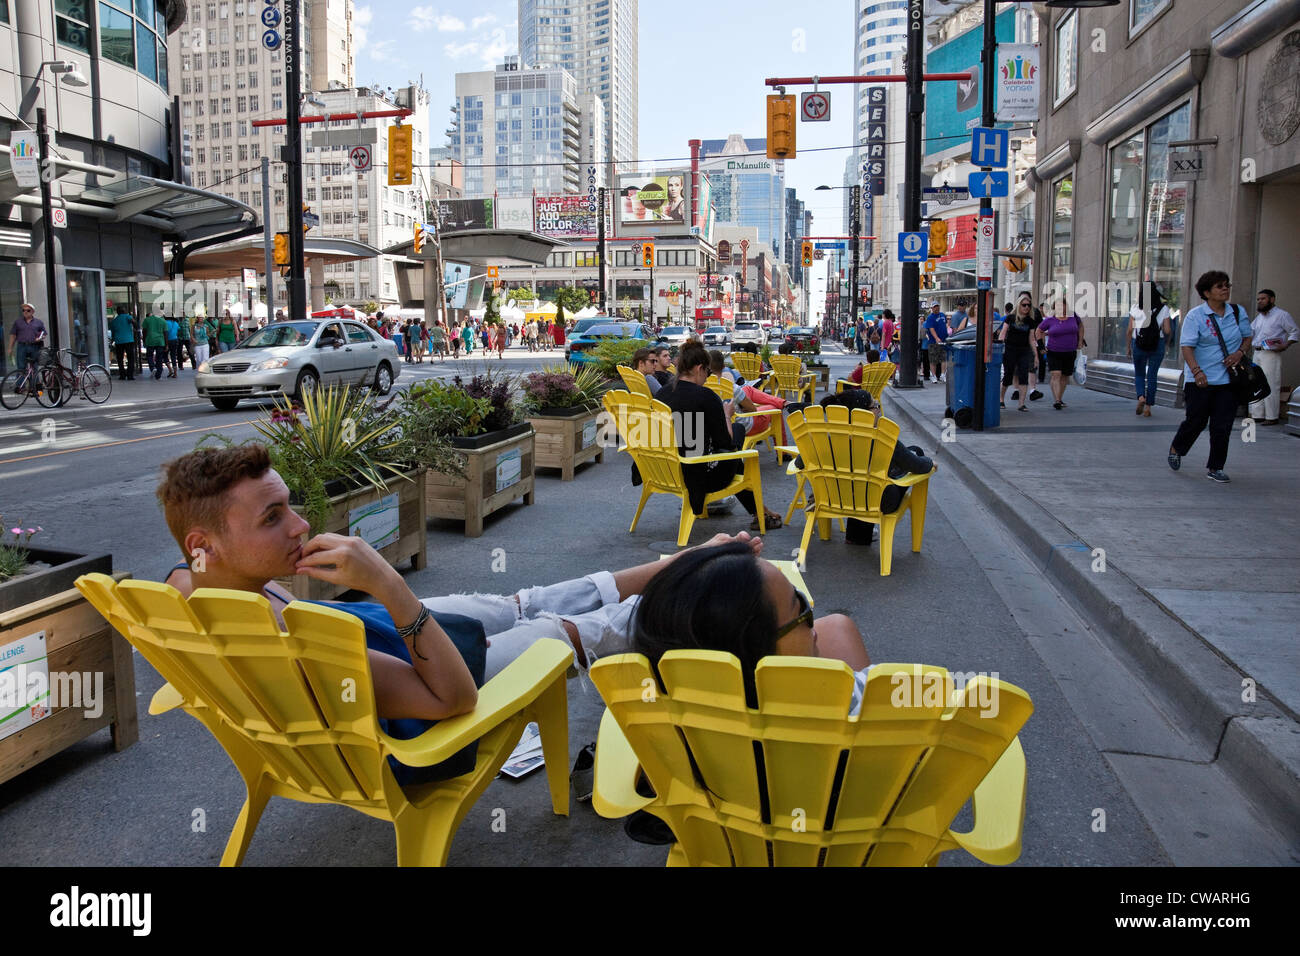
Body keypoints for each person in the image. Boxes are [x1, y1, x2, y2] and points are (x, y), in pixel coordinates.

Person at [155, 444, 760, 711]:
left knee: (522, 600)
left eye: (288, 505)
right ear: (206, 542)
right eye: (272, 517)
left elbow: (182, 574)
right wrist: (388, 586)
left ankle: (671, 564)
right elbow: (451, 698)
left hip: (389, 632)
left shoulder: (196, 588)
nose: (301, 524)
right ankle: (703, 578)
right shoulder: (297, 652)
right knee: (561, 628)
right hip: (433, 665)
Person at [631, 540, 871, 712]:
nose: (810, 615)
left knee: (837, 624)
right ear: (754, 654)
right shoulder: (859, 700)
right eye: (799, 610)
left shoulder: (670, 717)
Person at [658, 342, 784, 531]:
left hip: (666, 470)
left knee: (733, 448)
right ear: (699, 368)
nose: (707, 378)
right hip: (700, 476)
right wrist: (726, 413)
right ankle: (760, 512)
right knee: (737, 440)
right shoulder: (706, 397)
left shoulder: (662, 393)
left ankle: (760, 512)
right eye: (707, 373)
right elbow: (725, 443)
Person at [1169, 271, 1253, 483]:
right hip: (1200, 379)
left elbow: (1247, 336)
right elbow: (1186, 347)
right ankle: (1177, 447)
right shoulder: (1196, 316)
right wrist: (1197, 372)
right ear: (1207, 293)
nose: (1225, 289)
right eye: (1219, 286)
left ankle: (1215, 467)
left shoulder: (1237, 312)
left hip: (1229, 380)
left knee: (1222, 425)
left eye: (1227, 285)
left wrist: (1239, 353)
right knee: (1196, 421)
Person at [1250, 288, 1297, 425]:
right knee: (1256, 383)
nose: (1260, 301)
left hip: (1271, 353)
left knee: (1271, 383)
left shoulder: (1282, 315)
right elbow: (1250, 333)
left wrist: (1286, 345)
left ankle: (1271, 417)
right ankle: (1257, 415)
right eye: (1258, 299)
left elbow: (1295, 332)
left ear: (1272, 299)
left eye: (1263, 299)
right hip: (1257, 352)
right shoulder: (1259, 318)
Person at [1126, 284, 1172, 416]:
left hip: (1138, 343)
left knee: (1139, 374)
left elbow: (1129, 330)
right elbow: (1167, 330)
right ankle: (1148, 407)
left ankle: (1141, 397)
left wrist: (1128, 347)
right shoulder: (1164, 309)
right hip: (1157, 344)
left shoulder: (1135, 308)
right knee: (1152, 375)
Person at [1036, 298, 1085, 409]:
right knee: (1056, 374)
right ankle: (1057, 400)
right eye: (1057, 306)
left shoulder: (1073, 316)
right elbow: (1038, 331)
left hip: (1070, 351)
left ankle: (1059, 398)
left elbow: (1081, 326)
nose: (1060, 308)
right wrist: (1041, 345)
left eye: (1062, 305)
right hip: (1053, 351)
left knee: (1065, 376)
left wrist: (1080, 340)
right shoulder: (1050, 320)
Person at [999, 293, 1039, 412]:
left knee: (1023, 376)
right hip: (1010, 349)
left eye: (1028, 305)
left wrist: (1036, 355)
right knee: (1008, 375)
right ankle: (1001, 399)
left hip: (1024, 350)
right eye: (1024, 305)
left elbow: (1032, 339)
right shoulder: (1011, 318)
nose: (1026, 307)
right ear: (1019, 305)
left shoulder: (1030, 321)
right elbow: (1003, 332)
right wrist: (999, 346)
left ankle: (1021, 403)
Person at [923, 301, 949, 382]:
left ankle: (942, 374)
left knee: (944, 358)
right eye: (935, 306)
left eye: (937, 306)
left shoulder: (942, 315)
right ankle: (933, 375)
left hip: (944, 340)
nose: (936, 308)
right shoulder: (930, 318)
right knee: (933, 360)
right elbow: (931, 329)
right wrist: (936, 338)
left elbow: (945, 325)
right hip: (933, 341)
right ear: (932, 308)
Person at [108, 305, 135, 381]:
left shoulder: (114, 321)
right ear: (124, 311)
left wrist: (113, 340)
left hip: (119, 341)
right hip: (129, 340)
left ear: (117, 312)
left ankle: (122, 375)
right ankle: (130, 375)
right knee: (130, 358)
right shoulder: (127, 317)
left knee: (120, 358)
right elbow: (133, 322)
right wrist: (137, 328)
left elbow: (113, 332)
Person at [141, 307, 168, 380]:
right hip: (160, 341)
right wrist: (166, 344)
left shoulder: (147, 319)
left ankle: (152, 368)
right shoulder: (163, 321)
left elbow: (144, 331)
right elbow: (165, 333)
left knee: (149, 355)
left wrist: (144, 340)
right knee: (159, 358)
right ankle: (158, 375)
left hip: (150, 340)